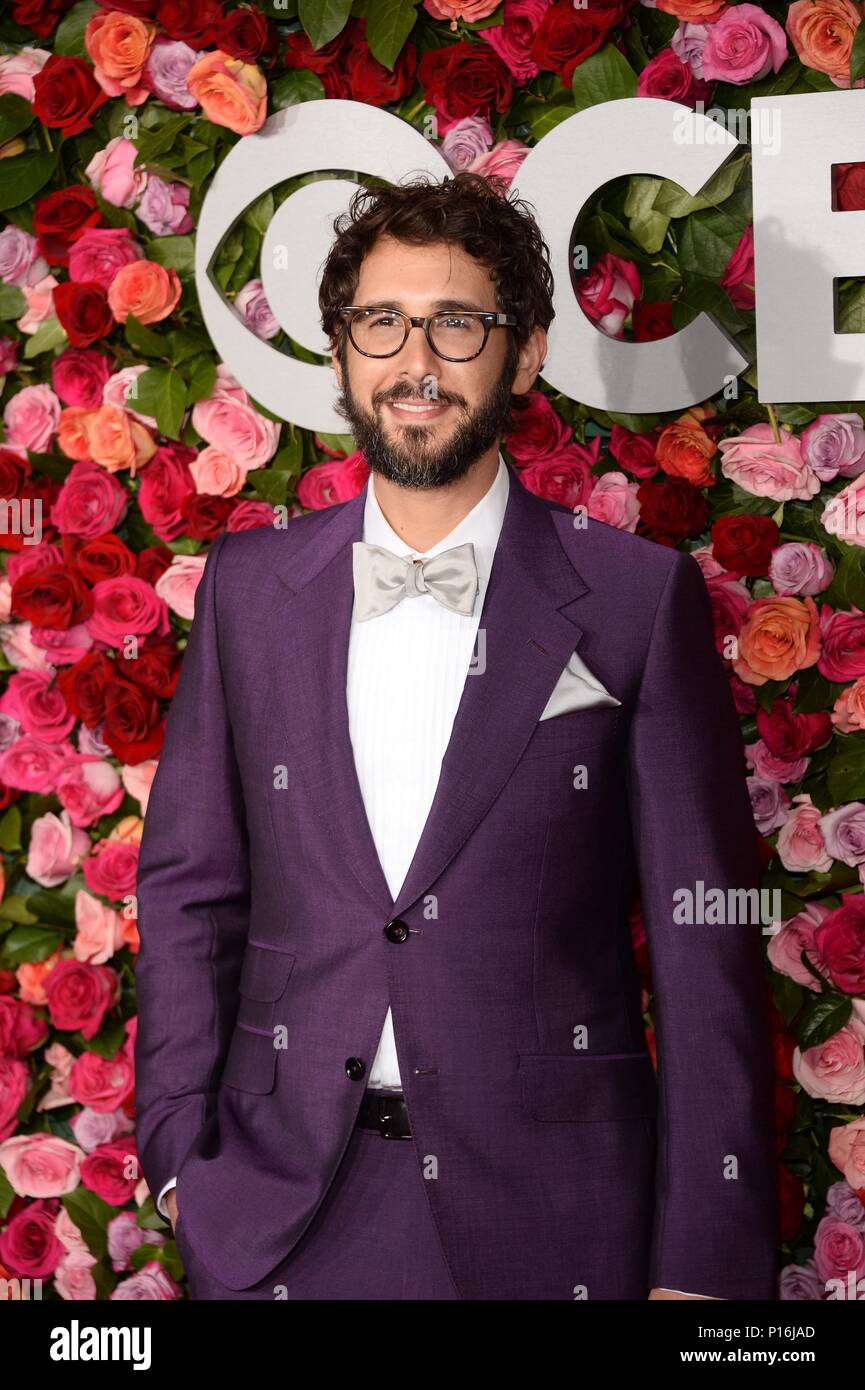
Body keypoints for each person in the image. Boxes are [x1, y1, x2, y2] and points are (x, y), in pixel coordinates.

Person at [134, 171, 778, 1300]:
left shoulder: (634, 598)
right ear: (340, 354)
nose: (414, 360)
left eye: (456, 323)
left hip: (554, 1223)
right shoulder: (247, 589)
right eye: (380, 322)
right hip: (279, 1214)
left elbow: (701, 944)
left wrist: (703, 1267)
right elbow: (191, 888)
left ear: (522, 355)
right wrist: (181, 1162)